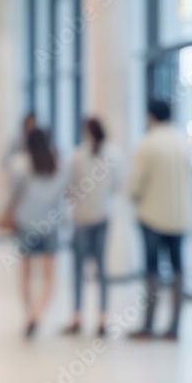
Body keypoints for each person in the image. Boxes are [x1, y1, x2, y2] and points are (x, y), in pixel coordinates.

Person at [129, 100, 192, 341]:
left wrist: (135, 198)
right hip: (180, 219)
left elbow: (135, 184)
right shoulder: (182, 142)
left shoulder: (147, 144)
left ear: (151, 117)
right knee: (178, 270)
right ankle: (175, 326)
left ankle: (148, 324)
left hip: (152, 217)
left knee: (152, 271)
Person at [4, 129, 68, 339]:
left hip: (25, 223)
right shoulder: (58, 164)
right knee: (49, 276)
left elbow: (12, 191)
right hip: (50, 226)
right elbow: (64, 195)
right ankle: (38, 314)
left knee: (26, 273)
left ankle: (29, 314)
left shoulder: (19, 163)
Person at [62, 118, 121, 338]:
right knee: (102, 269)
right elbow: (118, 185)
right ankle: (103, 318)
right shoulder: (113, 156)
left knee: (78, 269)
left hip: (82, 219)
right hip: (102, 216)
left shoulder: (77, 156)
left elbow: (69, 189)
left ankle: (77, 316)